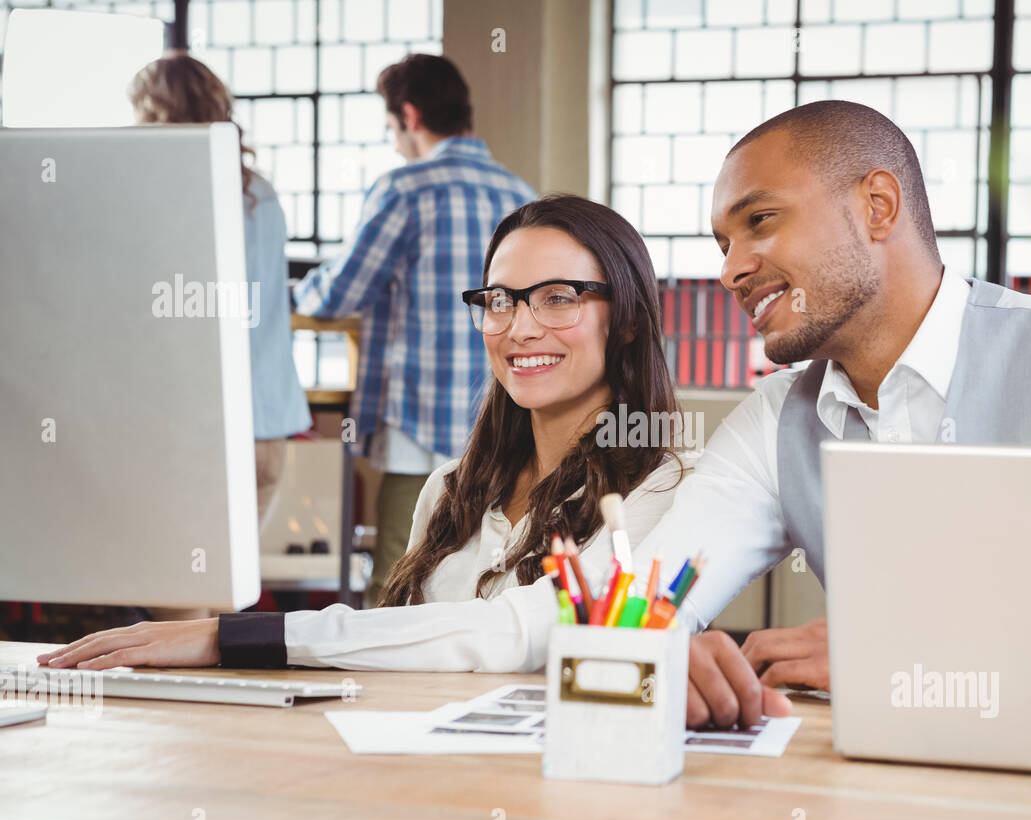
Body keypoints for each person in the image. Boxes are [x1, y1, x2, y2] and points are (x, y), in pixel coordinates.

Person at [632, 100, 1031, 728]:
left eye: (760, 220)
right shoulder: (772, 422)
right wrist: (661, 653)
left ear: (877, 207)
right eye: (724, 244)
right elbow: (640, 605)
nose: (730, 271)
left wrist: (908, 656)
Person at [39, 196, 693, 671]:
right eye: (500, 299)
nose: (519, 328)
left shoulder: (664, 490)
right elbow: (396, 638)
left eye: (558, 297)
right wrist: (190, 626)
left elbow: (513, 632)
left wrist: (236, 638)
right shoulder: (450, 489)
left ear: (629, 318)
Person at [293, 54, 536, 607]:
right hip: (506, 419)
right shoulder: (522, 194)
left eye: (390, 128)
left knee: (398, 580)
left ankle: (382, 692)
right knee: (489, 579)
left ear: (408, 114)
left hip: (416, 424)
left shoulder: (406, 188)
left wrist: (292, 295)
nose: (394, 141)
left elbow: (340, 294)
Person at [129, 53, 312, 528]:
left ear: (156, 117)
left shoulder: (162, 199)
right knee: (225, 578)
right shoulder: (262, 194)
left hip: (197, 421)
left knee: (184, 582)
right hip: (270, 420)